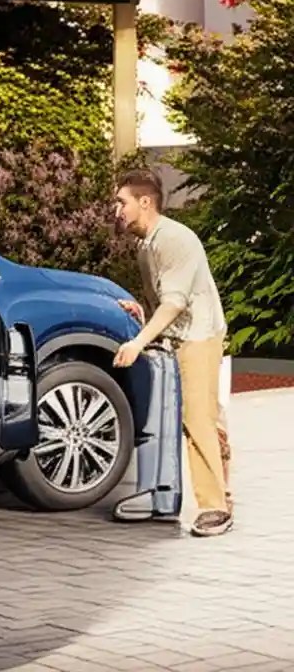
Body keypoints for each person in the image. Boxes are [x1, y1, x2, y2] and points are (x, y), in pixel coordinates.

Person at [112, 168, 232, 538]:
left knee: (196, 419)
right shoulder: (145, 244)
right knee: (206, 417)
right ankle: (223, 490)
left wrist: (138, 341)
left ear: (144, 202)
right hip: (180, 335)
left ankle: (215, 508)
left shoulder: (176, 240)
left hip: (198, 335)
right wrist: (142, 314)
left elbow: (176, 302)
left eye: (122, 202)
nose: (116, 210)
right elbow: (164, 300)